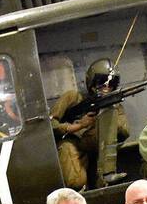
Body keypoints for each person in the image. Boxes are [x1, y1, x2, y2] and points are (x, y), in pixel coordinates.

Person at [51, 59, 130, 190]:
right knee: (76, 181)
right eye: (102, 83)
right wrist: (78, 126)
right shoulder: (73, 97)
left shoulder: (114, 105)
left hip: (95, 143)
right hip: (72, 143)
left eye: (111, 84)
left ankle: (106, 175)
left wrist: (108, 113)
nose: (106, 88)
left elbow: (124, 132)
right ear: (92, 83)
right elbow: (50, 125)